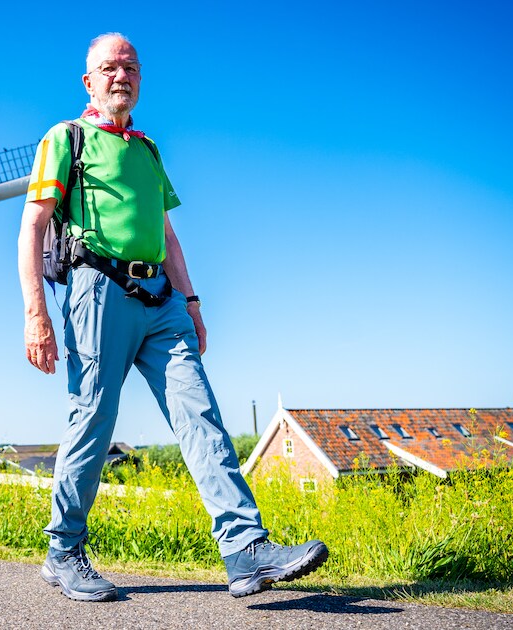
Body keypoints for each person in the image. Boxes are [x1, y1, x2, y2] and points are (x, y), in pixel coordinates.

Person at [17, 33, 329, 602]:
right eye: (109, 68)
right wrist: (36, 313)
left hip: (162, 299)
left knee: (200, 415)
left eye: (130, 67)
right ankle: (63, 551)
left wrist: (192, 302)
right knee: (93, 420)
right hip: (97, 291)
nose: (121, 75)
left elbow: (167, 235)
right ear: (88, 82)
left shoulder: (148, 150)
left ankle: (246, 551)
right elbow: (32, 225)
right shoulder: (66, 138)